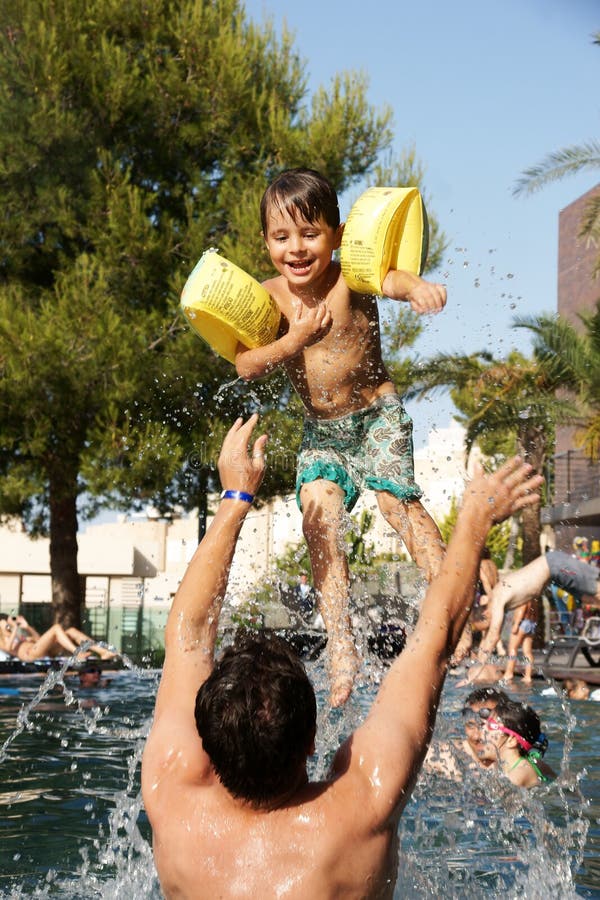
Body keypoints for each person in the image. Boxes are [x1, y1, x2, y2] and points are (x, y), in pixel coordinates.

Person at [142, 414, 542, 899]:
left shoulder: (171, 797)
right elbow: (432, 644)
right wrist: (475, 519)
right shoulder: (358, 809)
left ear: (206, 742)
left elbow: (187, 636)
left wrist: (235, 498)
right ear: (314, 739)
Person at [235, 167, 447, 705]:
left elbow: (393, 279)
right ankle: (341, 642)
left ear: (338, 234)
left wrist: (418, 288)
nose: (296, 248)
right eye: (281, 236)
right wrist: (296, 338)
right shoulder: (269, 298)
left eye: (310, 234)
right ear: (266, 241)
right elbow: (246, 364)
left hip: (376, 414)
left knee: (396, 505)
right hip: (322, 433)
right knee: (318, 518)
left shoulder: (350, 274)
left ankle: (451, 601)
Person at [475, 549, 600, 666]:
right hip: (554, 573)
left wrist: (476, 668)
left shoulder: (496, 601)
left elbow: (492, 637)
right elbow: (488, 638)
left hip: (554, 564)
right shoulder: (495, 600)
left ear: (485, 613)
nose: (490, 626)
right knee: (590, 599)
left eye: (486, 624)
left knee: (597, 590)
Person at [424, 687, 509, 778]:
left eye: (485, 726)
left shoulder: (515, 760)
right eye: (470, 725)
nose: (476, 736)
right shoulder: (444, 756)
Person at [482, 698, 556, 787]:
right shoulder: (496, 767)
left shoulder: (519, 775)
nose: (483, 729)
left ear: (511, 740)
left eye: (491, 725)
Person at [0, 613, 116, 662]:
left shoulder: (17, 636)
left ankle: (102, 652)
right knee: (56, 628)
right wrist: (15, 628)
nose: (10, 623)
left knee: (71, 631)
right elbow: (8, 648)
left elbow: (38, 640)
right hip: (30, 655)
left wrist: (27, 627)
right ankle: (77, 653)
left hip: (41, 651)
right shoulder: (2, 640)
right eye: (6, 621)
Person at [503, 598, 537, 684]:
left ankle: (509, 673)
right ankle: (528, 676)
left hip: (522, 623)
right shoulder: (534, 600)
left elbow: (521, 610)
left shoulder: (524, 598)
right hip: (531, 623)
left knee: (512, 649)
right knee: (528, 652)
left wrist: (516, 624)